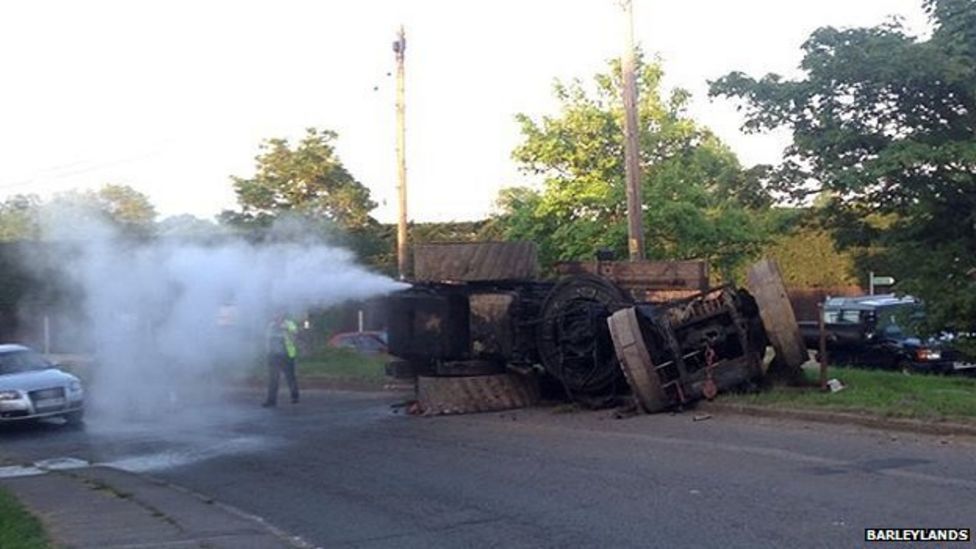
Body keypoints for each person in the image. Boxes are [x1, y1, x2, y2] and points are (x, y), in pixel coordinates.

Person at [263, 311, 299, 407]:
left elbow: (295, 337)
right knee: (273, 378)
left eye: (278, 314)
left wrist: (285, 330)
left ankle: (294, 395)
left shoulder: (290, 324)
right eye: (275, 314)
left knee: (290, 376)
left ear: (283, 315)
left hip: (287, 355)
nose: (276, 316)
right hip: (273, 355)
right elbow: (267, 339)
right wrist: (268, 352)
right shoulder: (271, 325)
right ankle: (271, 400)